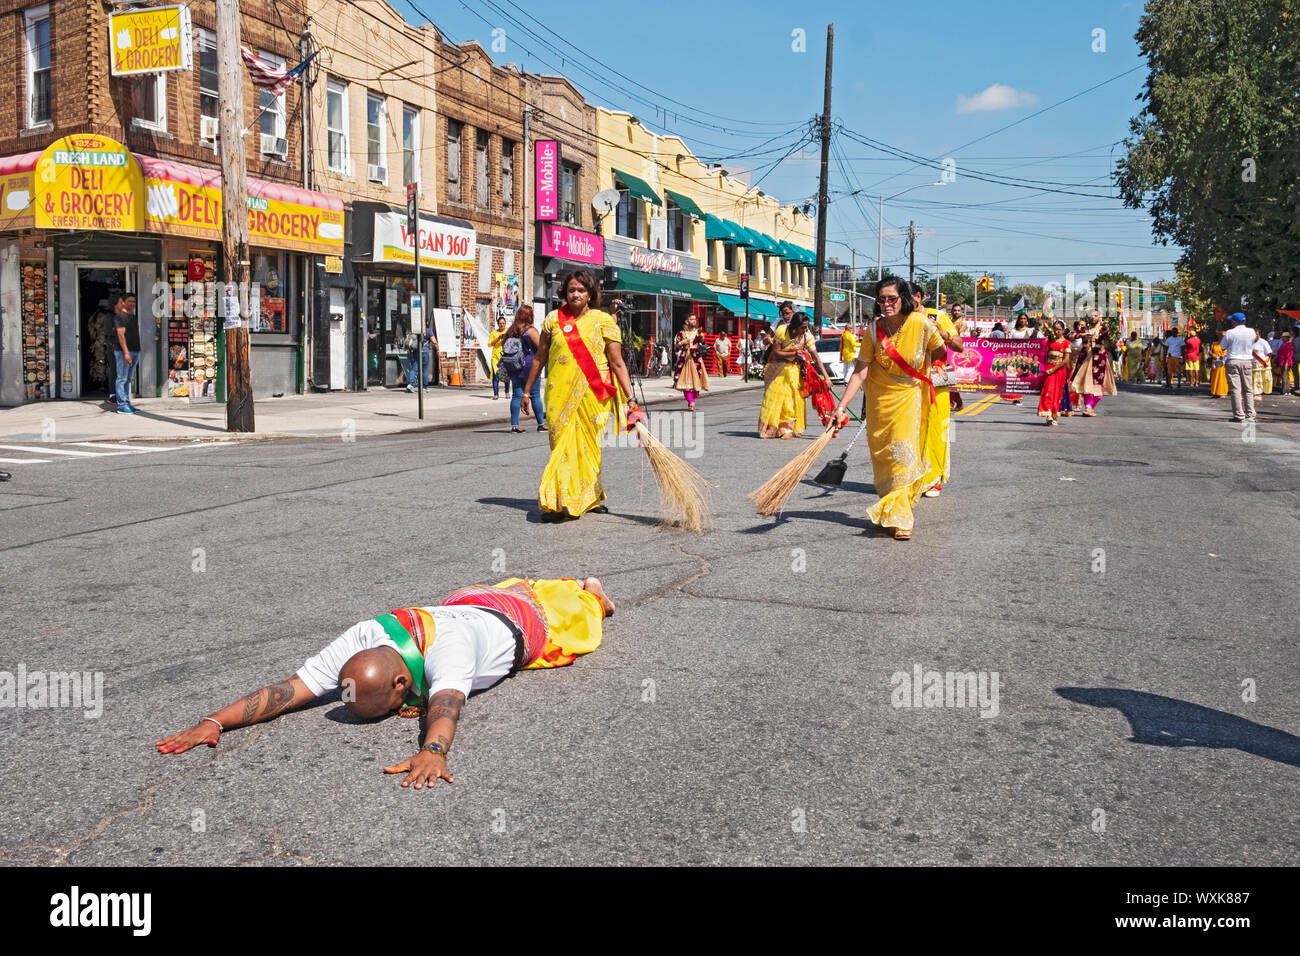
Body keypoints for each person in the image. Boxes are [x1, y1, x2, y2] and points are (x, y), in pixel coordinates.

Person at [157, 576, 615, 790]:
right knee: (516, 587)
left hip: (519, 624)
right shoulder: (362, 637)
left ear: (401, 683)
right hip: (464, 600)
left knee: (580, 621)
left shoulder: (449, 654)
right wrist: (214, 721)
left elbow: (447, 706)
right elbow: (289, 689)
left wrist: (433, 751)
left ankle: (591, 591)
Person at [831, 277, 945, 541]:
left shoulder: (920, 323)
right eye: (881, 299)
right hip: (879, 402)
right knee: (883, 459)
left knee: (901, 454)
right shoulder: (873, 330)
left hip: (910, 398)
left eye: (891, 298)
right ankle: (891, 509)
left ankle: (901, 517)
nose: (886, 304)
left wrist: (924, 365)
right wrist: (841, 407)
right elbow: (860, 371)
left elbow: (940, 353)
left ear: (903, 298)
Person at [521, 270, 638, 521]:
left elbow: (617, 363)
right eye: (572, 289)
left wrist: (631, 399)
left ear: (590, 294)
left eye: (581, 290)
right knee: (561, 449)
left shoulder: (603, 321)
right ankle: (555, 502)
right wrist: (527, 390)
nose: (576, 294)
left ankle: (590, 498)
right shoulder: (553, 320)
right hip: (558, 395)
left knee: (590, 450)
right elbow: (540, 358)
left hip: (593, 397)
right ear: (564, 291)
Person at [919, 297, 966, 496]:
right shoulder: (898, 318)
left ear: (918, 297)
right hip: (907, 382)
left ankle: (933, 479)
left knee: (937, 428)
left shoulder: (936, 315)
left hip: (934, 381)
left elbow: (958, 345)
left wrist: (941, 331)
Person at [758, 311, 823, 438]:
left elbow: (816, 357)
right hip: (777, 370)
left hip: (794, 372)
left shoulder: (806, 336)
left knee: (791, 399)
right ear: (795, 326)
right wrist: (793, 354)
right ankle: (772, 428)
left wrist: (825, 377)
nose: (805, 330)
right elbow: (776, 353)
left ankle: (786, 429)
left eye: (806, 327)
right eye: (802, 327)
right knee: (774, 398)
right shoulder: (782, 330)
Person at [501, 306, 546, 433]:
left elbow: (504, 346)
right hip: (530, 367)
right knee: (535, 395)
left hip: (514, 367)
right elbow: (541, 348)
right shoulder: (530, 331)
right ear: (529, 316)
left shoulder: (511, 330)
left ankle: (515, 425)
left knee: (516, 395)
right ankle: (541, 423)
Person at [1069, 310, 1117, 416]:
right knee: (1087, 385)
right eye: (1091, 316)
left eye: (1096, 315)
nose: (1093, 317)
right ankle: (1088, 407)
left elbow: (1107, 333)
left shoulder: (1102, 329)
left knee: (1099, 388)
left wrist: (1105, 326)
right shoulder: (1085, 328)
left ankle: (1091, 407)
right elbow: (1071, 336)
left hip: (1100, 359)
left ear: (1099, 317)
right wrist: (1082, 334)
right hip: (1086, 358)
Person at [1221, 312, 1256, 422]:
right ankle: (1250, 414)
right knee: (1248, 389)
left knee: (1235, 389)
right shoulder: (1251, 332)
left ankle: (1239, 415)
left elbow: (1222, 346)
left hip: (1233, 360)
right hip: (1247, 361)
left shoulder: (1230, 333)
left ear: (1234, 322)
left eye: (1232, 320)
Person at [110, 292, 140, 414]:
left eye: (134, 301)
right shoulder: (119, 316)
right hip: (124, 353)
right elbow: (121, 336)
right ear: (123, 302)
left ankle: (127, 402)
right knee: (121, 379)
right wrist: (126, 353)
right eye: (130, 301)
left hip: (135, 351)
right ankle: (121, 405)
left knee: (128, 379)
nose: (132, 303)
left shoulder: (132, 316)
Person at [1038, 321, 1072, 425]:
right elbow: (1043, 354)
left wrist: (1053, 369)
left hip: (1059, 370)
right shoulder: (1049, 341)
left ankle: (1054, 415)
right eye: (1054, 329)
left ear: (1063, 330)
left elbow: (1066, 360)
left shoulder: (1066, 343)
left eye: (1058, 329)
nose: (1056, 331)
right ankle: (1048, 414)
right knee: (1048, 390)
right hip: (1049, 368)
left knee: (1058, 393)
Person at [672, 314, 709, 411]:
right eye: (691, 319)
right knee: (685, 383)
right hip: (685, 360)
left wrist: (701, 336)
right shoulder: (681, 333)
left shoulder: (698, 332)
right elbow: (676, 347)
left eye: (695, 319)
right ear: (686, 321)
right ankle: (691, 402)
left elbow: (703, 343)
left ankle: (692, 398)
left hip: (696, 359)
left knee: (696, 385)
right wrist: (681, 343)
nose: (694, 321)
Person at [489, 316, 510, 400]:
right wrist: (498, 338)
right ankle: (496, 394)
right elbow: (490, 344)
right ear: (498, 324)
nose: (502, 325)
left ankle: (507, 392)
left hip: (505, 356)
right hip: (495, 357)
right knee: (495, 375)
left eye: (503, 323)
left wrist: (505, 338)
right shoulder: (494, 332)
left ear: (505, 324)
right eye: (500, 323)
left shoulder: (508, 331)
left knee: (506, 375)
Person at [1252, 330, 1272, 401]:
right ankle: (1253, 393)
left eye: (1257, 334)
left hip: (1261, 363)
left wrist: (1265, 362)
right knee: (1253, 379)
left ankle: (1258, 394)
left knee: (1259, 379)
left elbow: (1269, 353)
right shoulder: (1250, 342)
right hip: (1252, 363)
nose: (1255, 336)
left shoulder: (1263, 342)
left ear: (1259, 335)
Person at [1208, 333, 1228, 398]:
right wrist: (1212, 354)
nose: (1222, 337)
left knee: (1222, 378)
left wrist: (1224, 356)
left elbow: (1229, 352)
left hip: (1223, 363)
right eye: (1221, 335)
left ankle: (1222, 392)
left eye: (1223, 336)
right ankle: (1215, 392)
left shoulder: (1227, 344)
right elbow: (1210, 352)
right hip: (1215, 362)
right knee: (1215, 377)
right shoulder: (1214, 343)